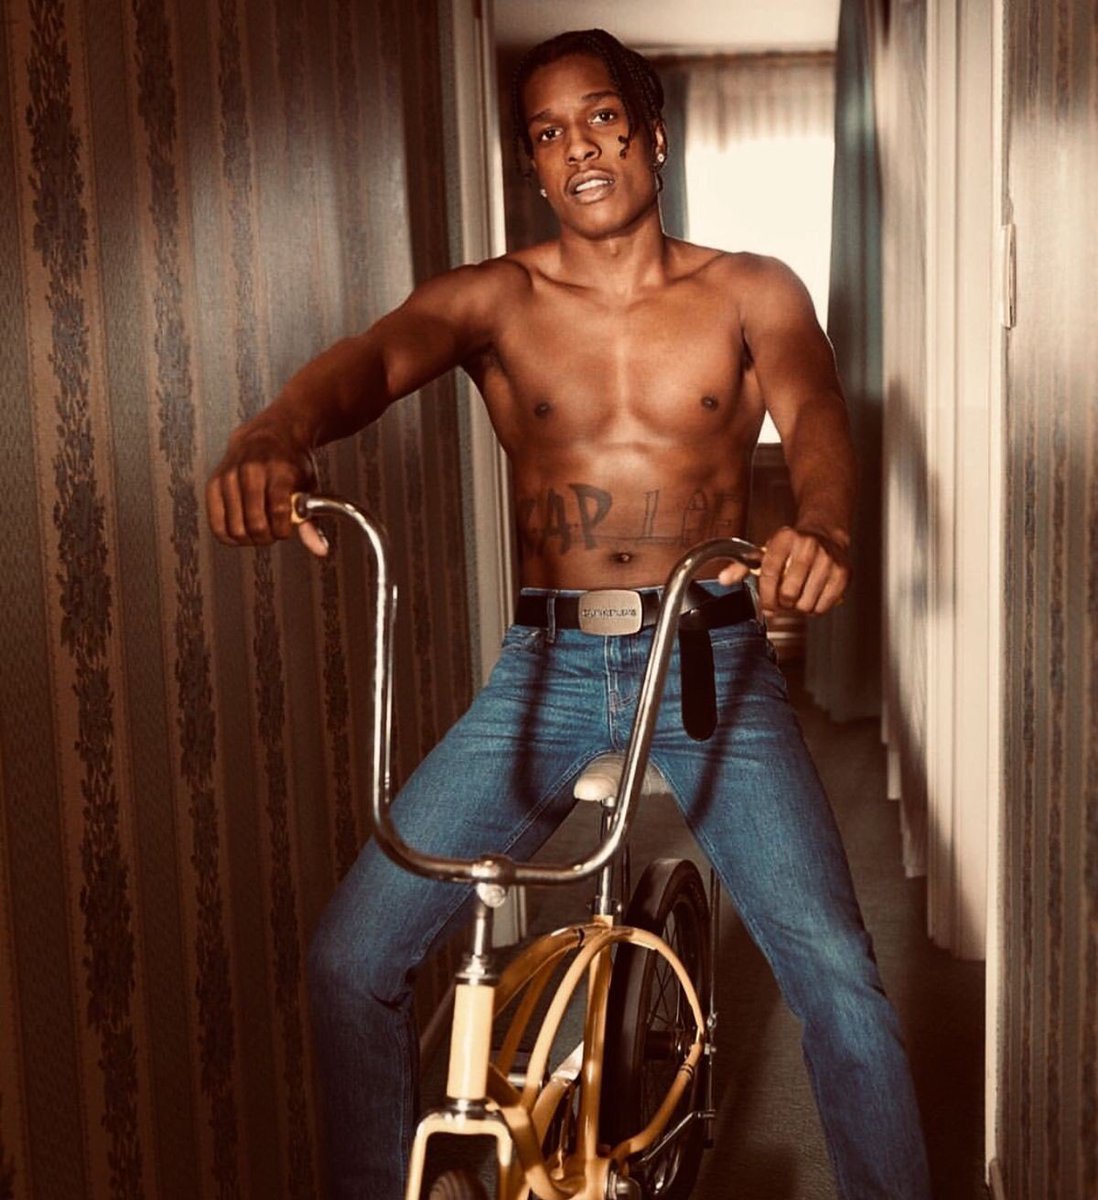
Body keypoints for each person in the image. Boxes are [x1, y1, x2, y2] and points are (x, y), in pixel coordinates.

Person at [206, 27, 930, 1200]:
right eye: (548, 133)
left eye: (600, 118)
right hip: (543, 670)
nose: (579, 148)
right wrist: (273, 433)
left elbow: (815, 417)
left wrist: (829, 528)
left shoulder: (751, 289)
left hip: (709, 665)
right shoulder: (496, 299)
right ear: (534, 165)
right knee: (350, 961)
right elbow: (372, 362)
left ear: (653, 134)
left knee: (840, 973)